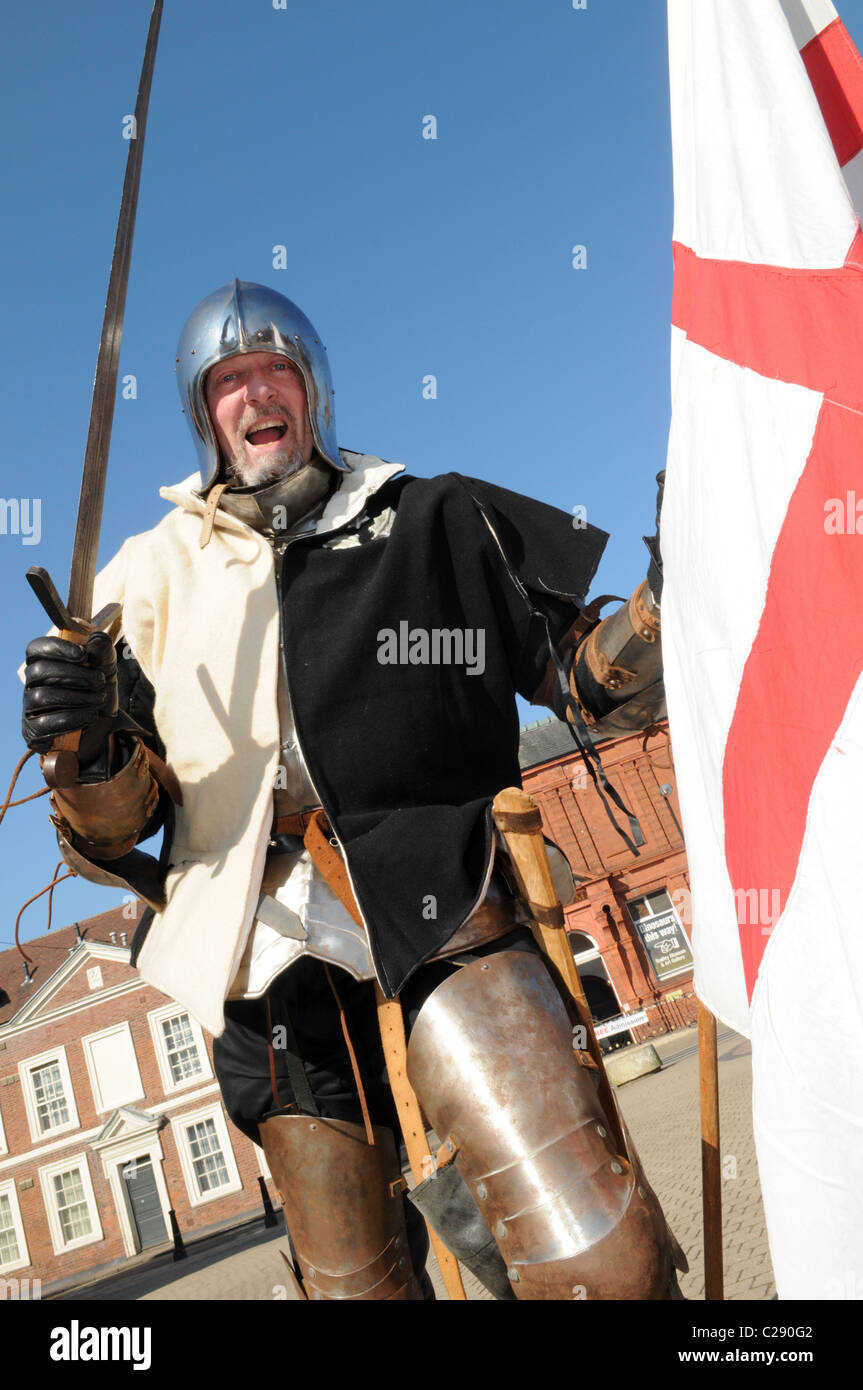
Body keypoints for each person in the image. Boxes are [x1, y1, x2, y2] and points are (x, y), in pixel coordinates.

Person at [21, 280, 683, 1300]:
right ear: (205, 415)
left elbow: (591, 683)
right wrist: (79, 744)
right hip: (265, 950)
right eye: (227, 382)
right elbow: (126, 821)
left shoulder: (433, 515)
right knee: (353, 1296)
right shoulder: (143, 578)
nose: (253, 396)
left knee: (596, 1258)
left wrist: (663, 597)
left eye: (272, 370)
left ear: (312, 389)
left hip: (443, 902)